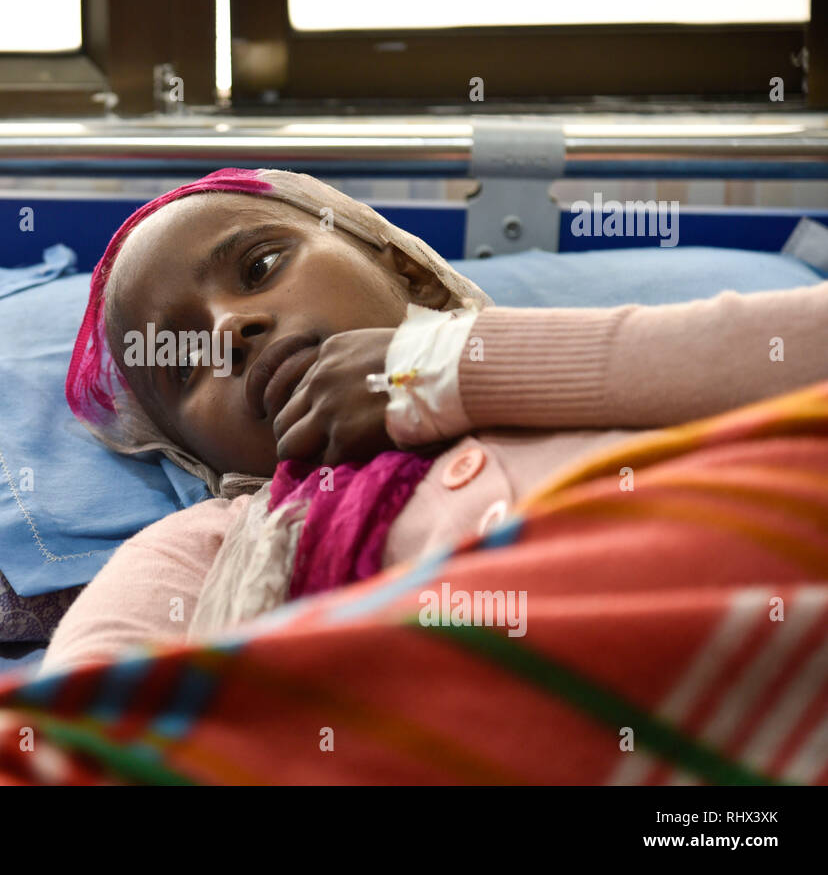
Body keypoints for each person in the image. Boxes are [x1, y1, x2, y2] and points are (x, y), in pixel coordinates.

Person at [41, 167, 828, 674]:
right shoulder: (220, 544)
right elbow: (81, 730)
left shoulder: (586, 379)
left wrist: (449, 369)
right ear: (197, 449)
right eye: (183, 365)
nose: (228, 332)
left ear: (396, 259)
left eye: (260, 266)